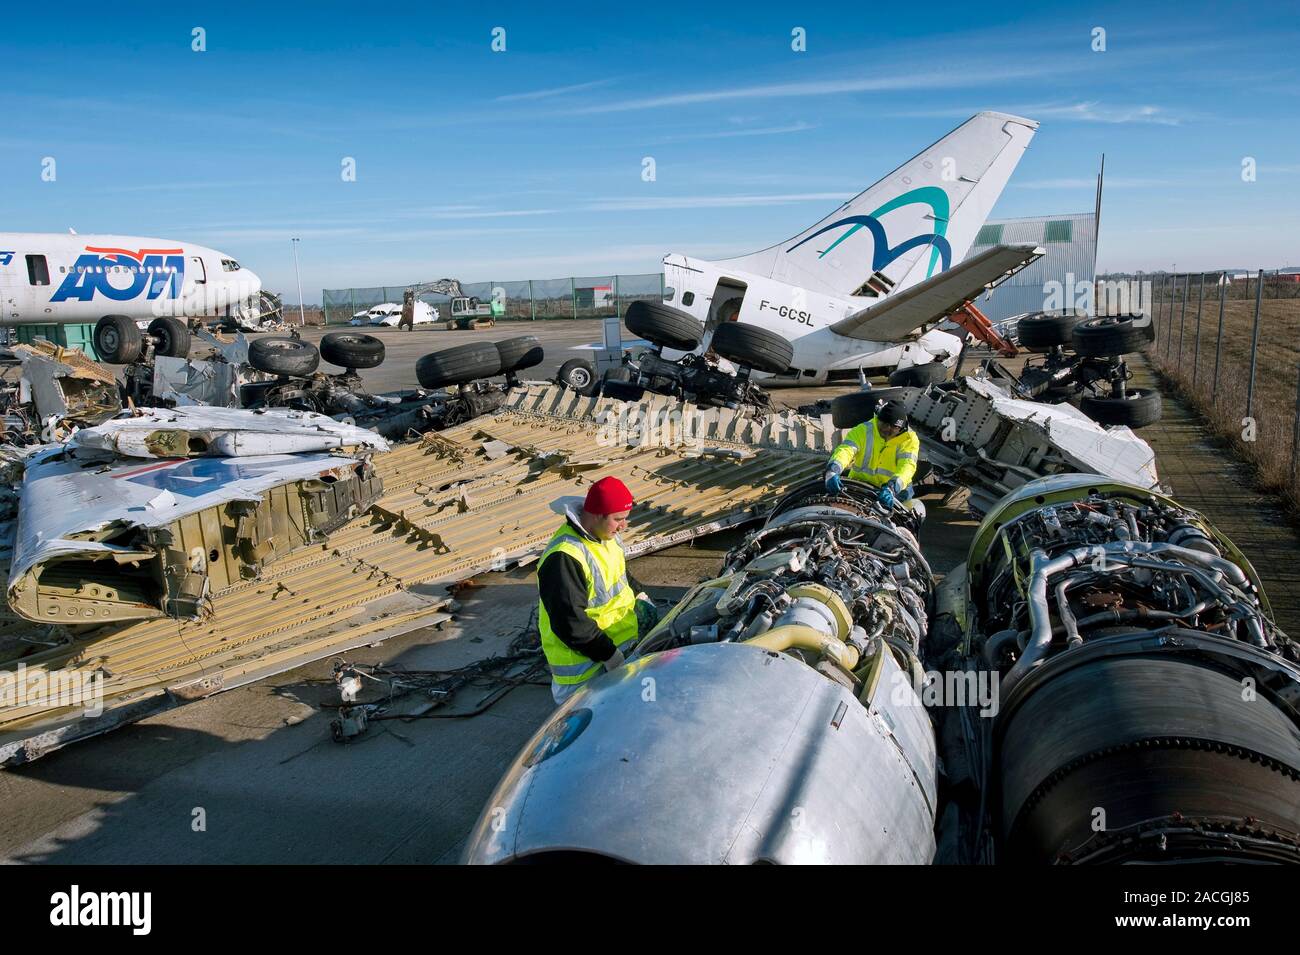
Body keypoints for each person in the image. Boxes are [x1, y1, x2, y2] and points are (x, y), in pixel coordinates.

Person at [537, 476, 658, 705]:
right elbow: (570, 623)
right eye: (618, 519)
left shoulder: (606, 537)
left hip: (616, 653)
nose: (624, 526)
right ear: (595, 515)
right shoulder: (564, 556)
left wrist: (640, 595)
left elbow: (619, 576)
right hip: (583, 673)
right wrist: (609, 655)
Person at [824, 399, 920, 508]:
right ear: (878, 419)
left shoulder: (910, 439)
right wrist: (833, 470)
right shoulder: (863, 430)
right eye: (884, 424)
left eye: (893, 427)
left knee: (904, 520)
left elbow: (907, 466)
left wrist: (892, 487)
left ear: (901, 427)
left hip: (896, 491)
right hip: (861, 484)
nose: (887, 429)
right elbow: (846, 450)